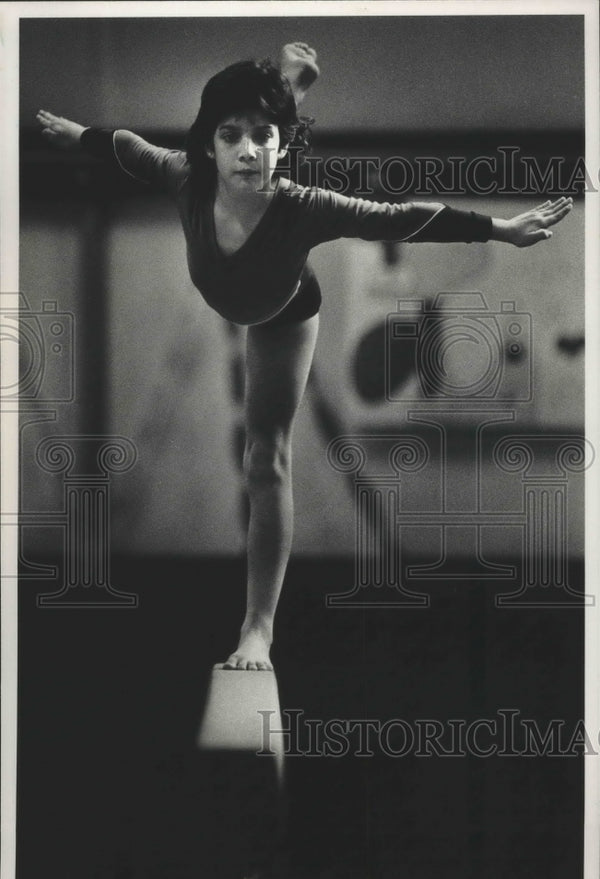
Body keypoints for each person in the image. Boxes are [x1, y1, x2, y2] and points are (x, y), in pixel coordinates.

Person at [37, 42, 573, 672]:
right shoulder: (183, 176)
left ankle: (258, 629)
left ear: (283, 147)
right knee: (243, 116)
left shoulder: (304, 208)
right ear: (207, 146)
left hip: (285, 312)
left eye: (263, 137)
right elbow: (125, 145)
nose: (246, 151)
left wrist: (499, 230)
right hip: (237, 288)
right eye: (229, 136)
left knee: (267, 458)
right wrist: (79, 134)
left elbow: (400, 218)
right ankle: (289, 83)